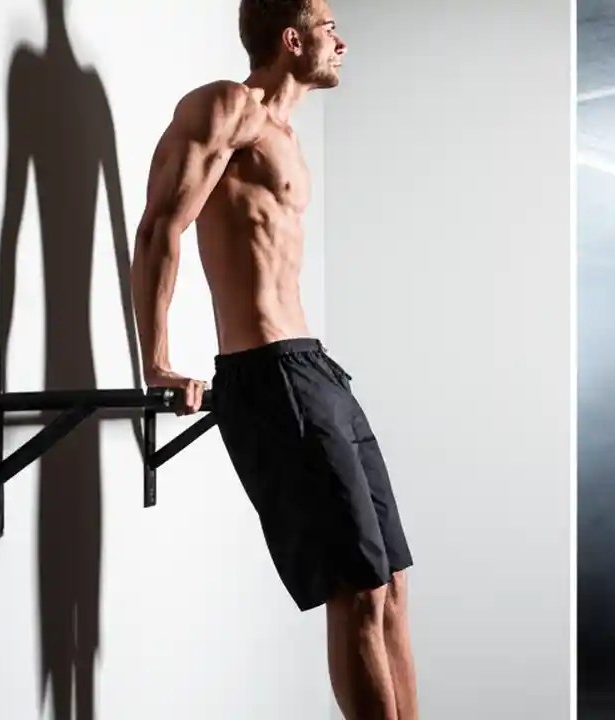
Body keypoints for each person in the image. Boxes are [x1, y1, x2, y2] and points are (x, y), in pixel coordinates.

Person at [130, 2, 418, 718]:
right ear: (292, 39)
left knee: (392, 586)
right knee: (355, 589)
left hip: (314, 365)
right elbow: (160, 228)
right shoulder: (227, 108)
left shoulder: (288, 134)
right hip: (268, 372)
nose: (342, 40)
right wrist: (157, 361)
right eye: (328, 27)